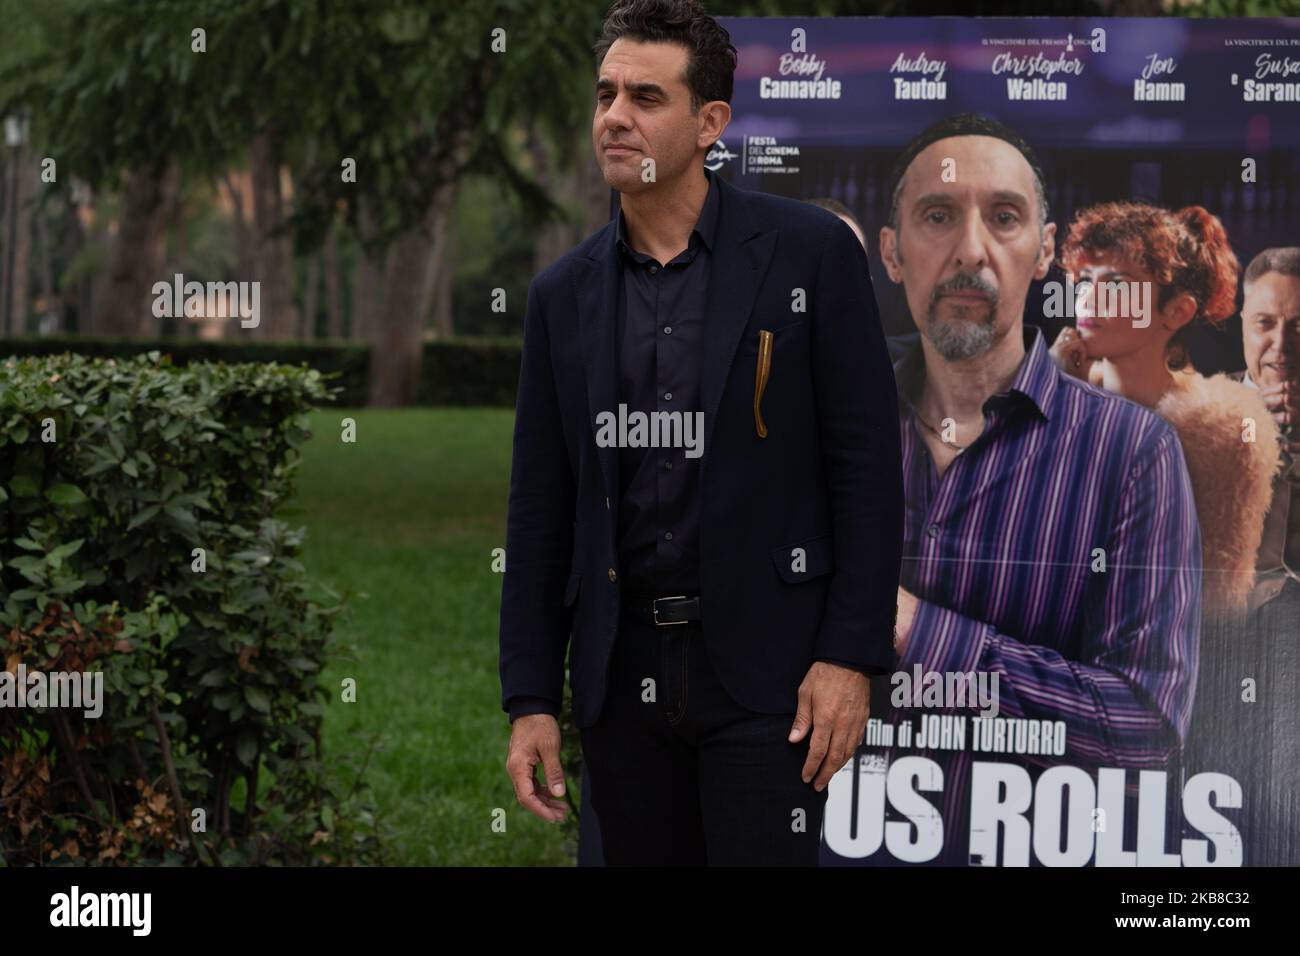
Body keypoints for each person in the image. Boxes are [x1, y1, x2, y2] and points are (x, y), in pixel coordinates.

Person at [500, 0, 905, 866]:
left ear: (710, 122)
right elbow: (541, 507)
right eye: (606, 93)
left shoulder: (807, 256)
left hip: (772, 675)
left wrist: (849, 658)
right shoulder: (561, 295)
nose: (614, 115)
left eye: (646, 97)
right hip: (620, 672)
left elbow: (867, 471)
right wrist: (531, 697)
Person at [827, 113, 1202, 866]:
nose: (972, 251)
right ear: (893, 253)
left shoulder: (1132, 453)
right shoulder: (821, 424)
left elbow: (1145, 727)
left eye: (1004, 217)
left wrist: (914, 630)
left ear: (1045, 254)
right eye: (938, 216)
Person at [1050, 202, 1279, 617]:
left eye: (1117, 285)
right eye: (1085, 280)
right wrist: (1056, 402)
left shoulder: (1224, 433)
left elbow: (1216, 604)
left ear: (1177, 312)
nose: (1089, 299)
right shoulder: (1058, 395)